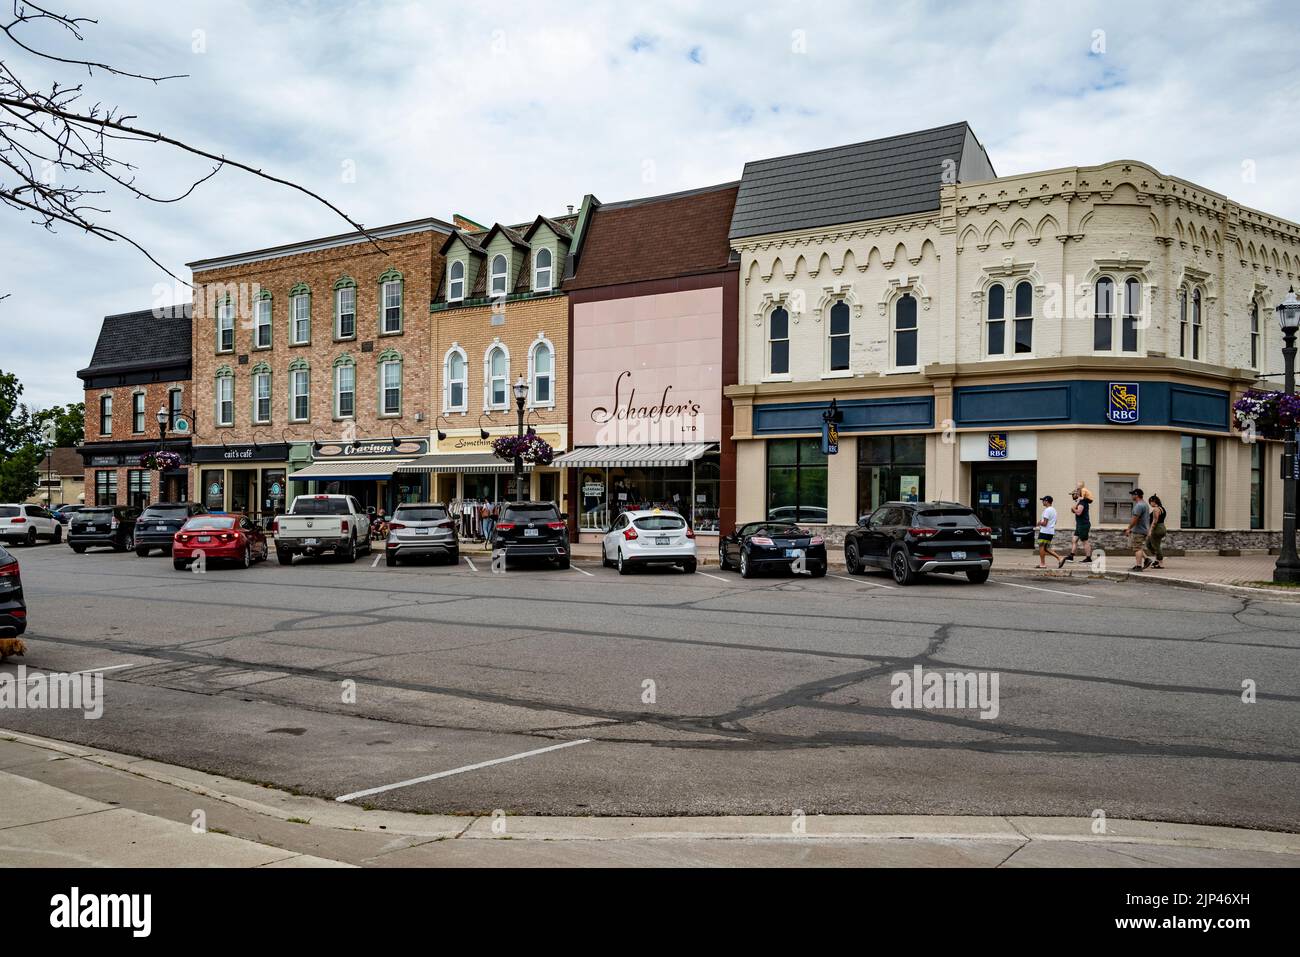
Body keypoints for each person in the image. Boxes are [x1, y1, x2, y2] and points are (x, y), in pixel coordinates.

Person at [1058, 483, 1094, 567]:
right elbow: (1074, 510)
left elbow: (1078, 512)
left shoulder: (1082, 502)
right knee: (1074, 540)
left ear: (1078, 494)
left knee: (1084, 541)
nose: (1073, 496)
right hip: (1079, 525)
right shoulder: (1079, 502)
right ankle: (1071, 556)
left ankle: (1088, 558)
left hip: (1083, 524)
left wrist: (1074, 508)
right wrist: (1074, 507)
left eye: (1074, 494)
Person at [1126, 488, 1152, 571]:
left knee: (1137, 548)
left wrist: (1129, 528)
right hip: (1143, 529)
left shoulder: (1139, 506)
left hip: (1139, 530)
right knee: (1138, 546)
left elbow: (1135, 518)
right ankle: (1147, 560)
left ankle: (1138, 566)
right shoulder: (1145, 504)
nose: (1131, 496)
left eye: (1132, 494)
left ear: (1136, 495)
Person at [1037, 495, 1063, 568]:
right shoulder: (1054, 510)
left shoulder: (1047, 510)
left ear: (1046, 501)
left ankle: (1042, 564)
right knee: (1046, 548)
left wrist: (1039, 523)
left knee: (1041, 547)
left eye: (1043, 500)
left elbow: (1044, 523)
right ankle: (1060, 558)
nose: (1042, 502)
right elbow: (1055, 522)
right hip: (1050, 531)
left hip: (1044, 532)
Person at [1146, 494, 1167, 569]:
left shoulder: (1156, 509)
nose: (1150, 504)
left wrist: (1150, 530)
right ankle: (1157, 559)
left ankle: (1160, 563)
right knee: (1148, 544)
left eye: (1150, 502)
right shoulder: (1162, 508)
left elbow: (1155, 521)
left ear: (1153, 501)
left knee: (1156, 546)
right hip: (1161, 527)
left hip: (1157, 529)